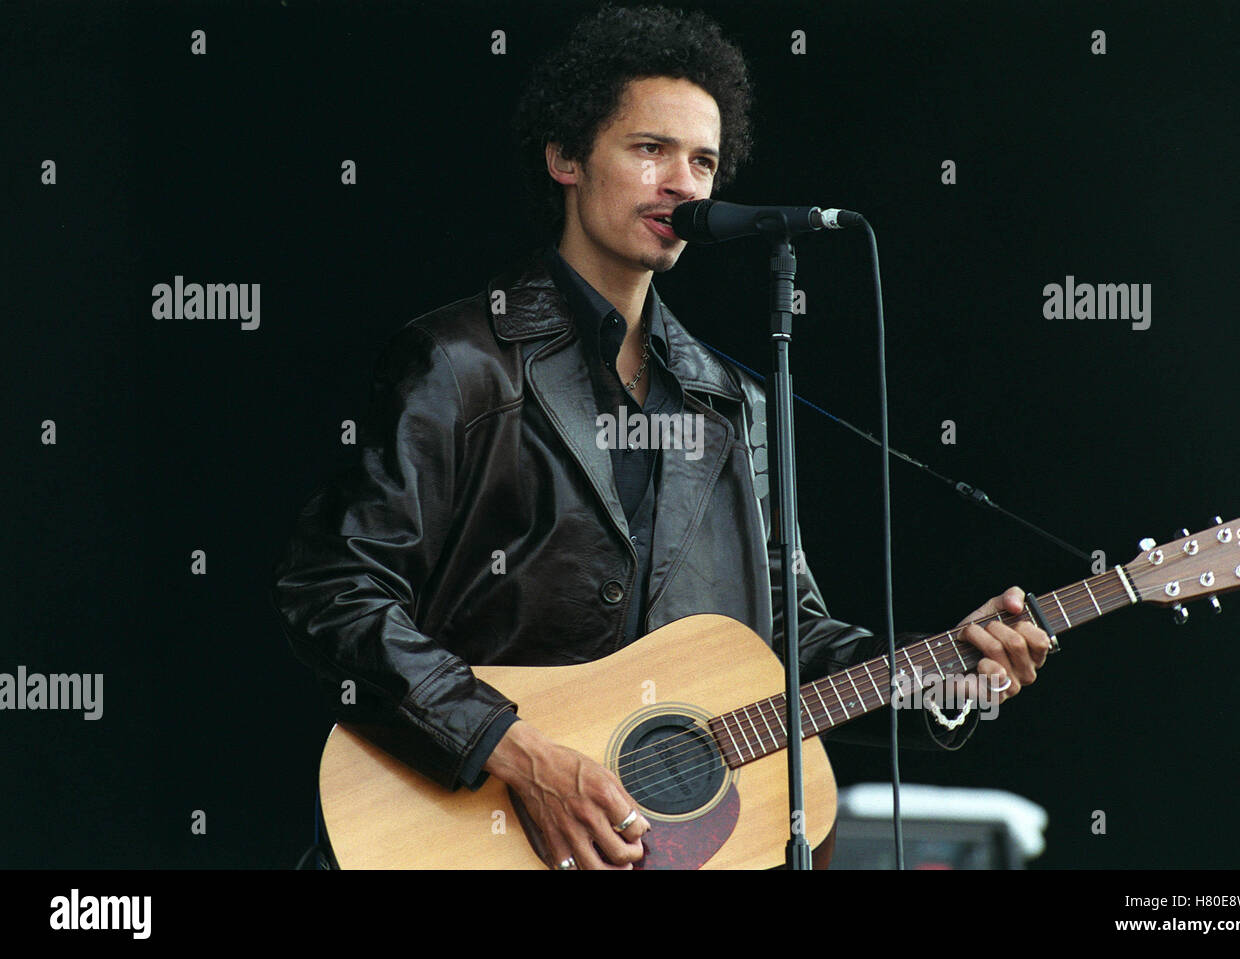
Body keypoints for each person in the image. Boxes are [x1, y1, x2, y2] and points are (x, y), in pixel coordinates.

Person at [270, 3, 1049, 871]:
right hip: (461, 833)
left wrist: (945, 669)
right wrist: (520, 752)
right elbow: (335, 588)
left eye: (705, 161)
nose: (685, 182)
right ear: (565, 157)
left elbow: (789, 647)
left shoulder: (736, 405)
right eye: (651, 149)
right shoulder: (460, 363)